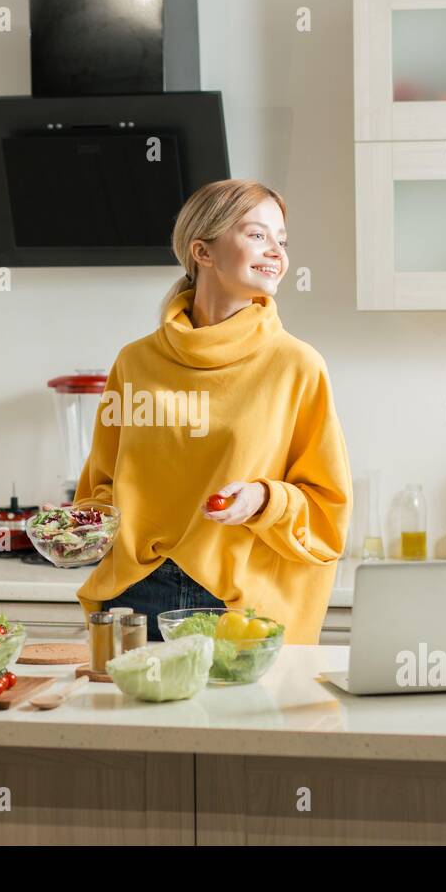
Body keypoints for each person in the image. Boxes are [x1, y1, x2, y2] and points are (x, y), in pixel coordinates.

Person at [72, 178, 352, 644]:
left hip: (241, 605)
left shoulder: (296, 366)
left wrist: (262, 499)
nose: (277, 252)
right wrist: (74, 530)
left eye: (281, 240)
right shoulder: (136, 362)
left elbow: (327, 509)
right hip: (137, 596)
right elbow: (103, 486)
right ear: (203, 251)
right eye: (258, 235)